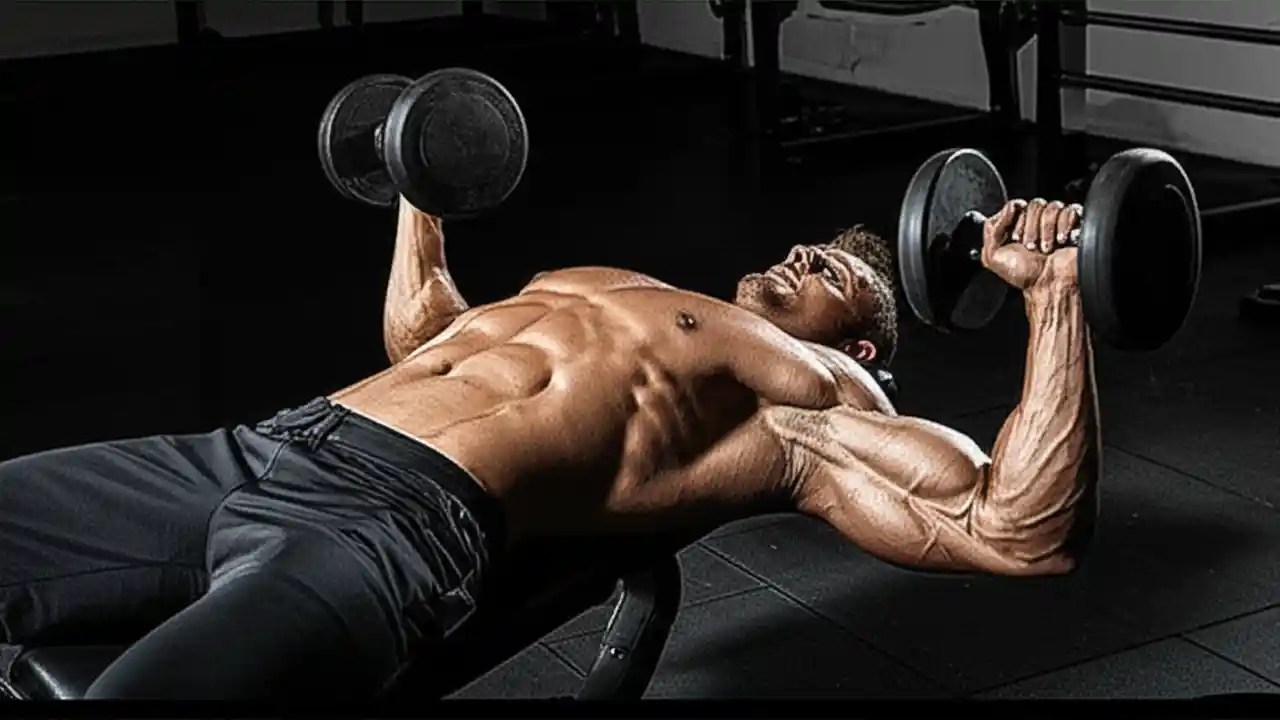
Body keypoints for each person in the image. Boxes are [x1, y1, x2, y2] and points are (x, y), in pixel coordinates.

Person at [0, 195, 1098, 700]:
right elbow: (428, 338)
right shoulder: (610, 287)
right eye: (810, 246)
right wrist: (422, 193)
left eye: (837, 275)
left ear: (858, 345)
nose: (806, 255)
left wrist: (1054, 297)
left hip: (388, 526)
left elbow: (1015, 529)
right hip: (259, 448)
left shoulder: (803, 394)